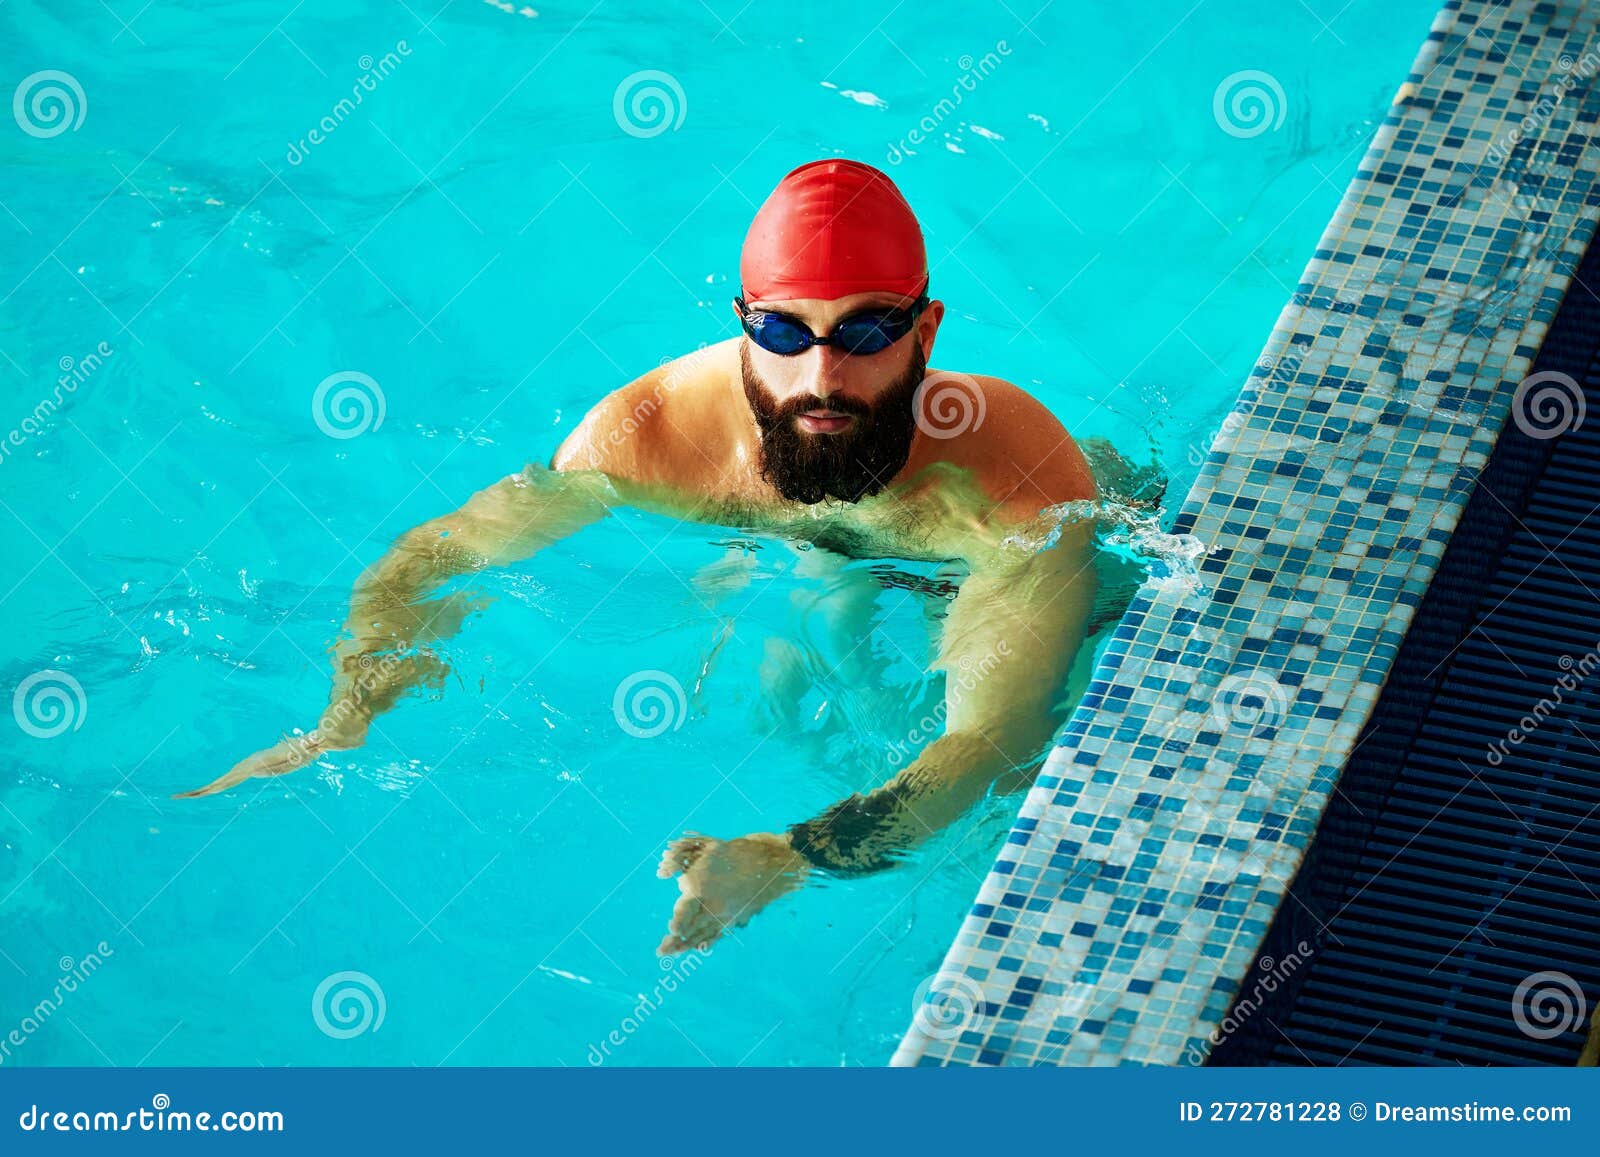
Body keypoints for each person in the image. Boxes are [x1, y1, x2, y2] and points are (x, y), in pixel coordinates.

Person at [180, 158, 1123, 956]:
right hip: (783, 540)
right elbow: (436, 555)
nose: (821, 375)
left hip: (947, 553)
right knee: (779, 673)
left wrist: (795, 855)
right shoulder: (648, 440)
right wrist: (348, 700)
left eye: (867, 330)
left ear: (926, 329)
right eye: (786, 332)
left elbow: (989, 743)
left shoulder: (1017, 476)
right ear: (745, 321)